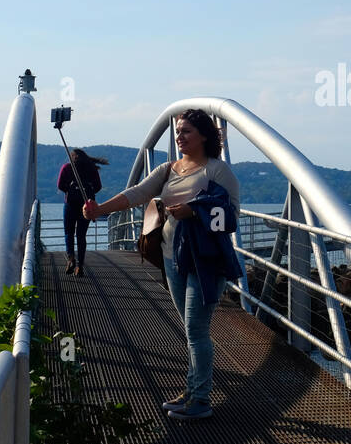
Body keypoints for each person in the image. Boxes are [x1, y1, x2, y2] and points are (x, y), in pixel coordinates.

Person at [85, 110, 241, 421]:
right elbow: (137, 193)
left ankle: (200, 401)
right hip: (173, 259)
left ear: (205, 136)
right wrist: (100, 210)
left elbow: (231, 219)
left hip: (205, 261)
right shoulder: (169, 169)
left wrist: (194, 212)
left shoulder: (217, 171)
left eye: (186, 132)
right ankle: (192, 390)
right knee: (190, 330)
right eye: (178, 132)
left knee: (196, 330)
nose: (179, 137)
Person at [58, 148, 106, 277]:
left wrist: (69, 191)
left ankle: (71, 259)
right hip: (86, 205)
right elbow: (98, 187)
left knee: (69, 232)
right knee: (81, 235)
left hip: (70, 204)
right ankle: (80, 266)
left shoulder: (67, 168)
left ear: (73, 157)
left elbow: (60, 185)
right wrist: (88, 195)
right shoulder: (92, 169)